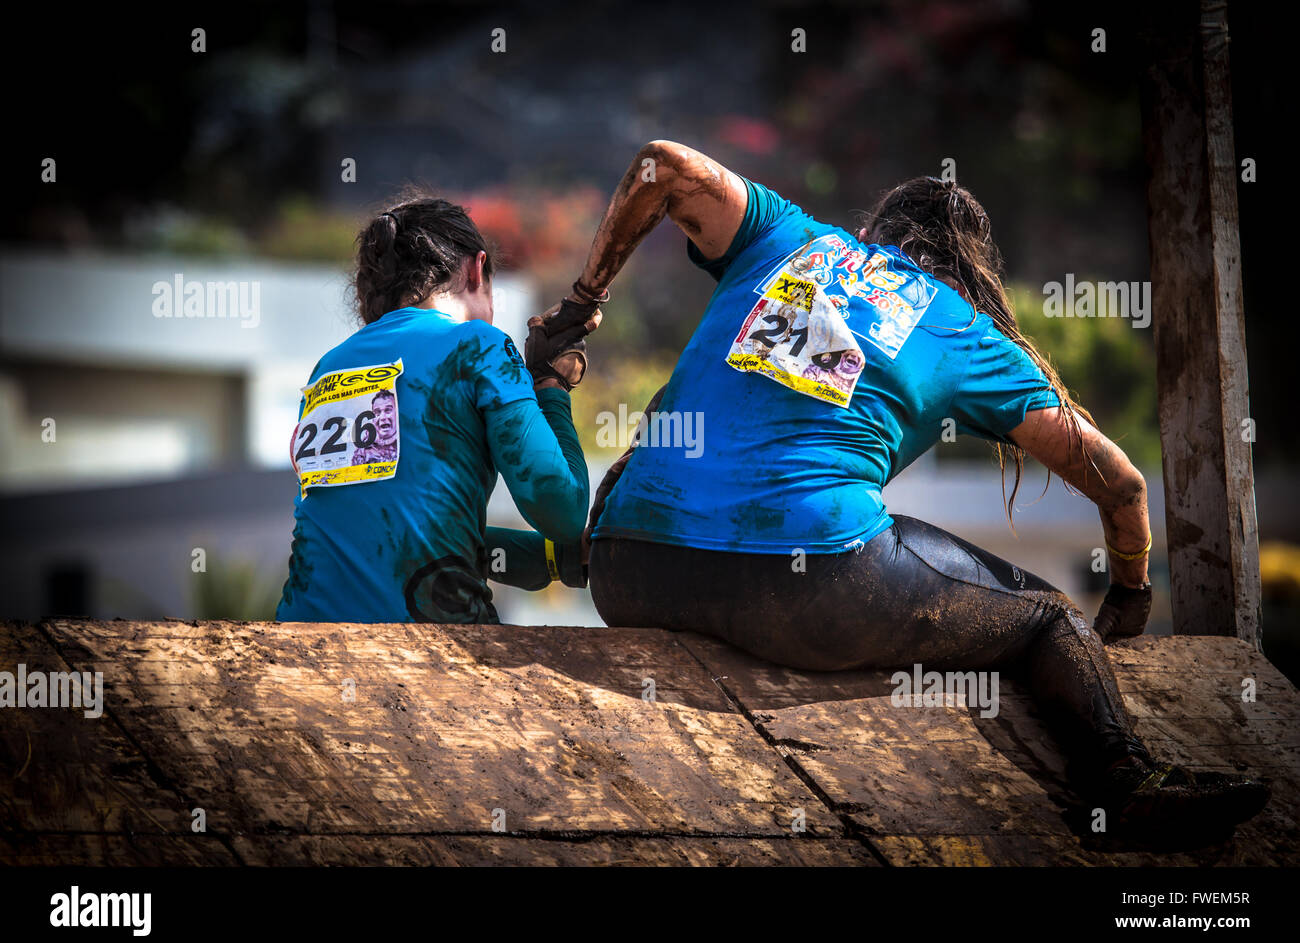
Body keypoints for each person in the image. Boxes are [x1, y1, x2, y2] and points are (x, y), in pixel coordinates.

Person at [557, 140, 1269, 840]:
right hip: (802, 590)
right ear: (968, 276)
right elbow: (1120, 483)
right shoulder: (963, 327)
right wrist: (1131, 594)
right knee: (1052, 618)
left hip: (629, 569)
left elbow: (662, 163)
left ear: (868, 234)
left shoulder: (791, 237)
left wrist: (582, 303)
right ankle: (1125, 787)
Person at [275, 196, 597, 624]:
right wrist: (551, 387)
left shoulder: (328, 368)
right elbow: (564, 511)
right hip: (433, 657)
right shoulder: (479, 344)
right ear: (476, 268)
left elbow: (391, 537)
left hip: (302, 638)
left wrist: (557, 561)